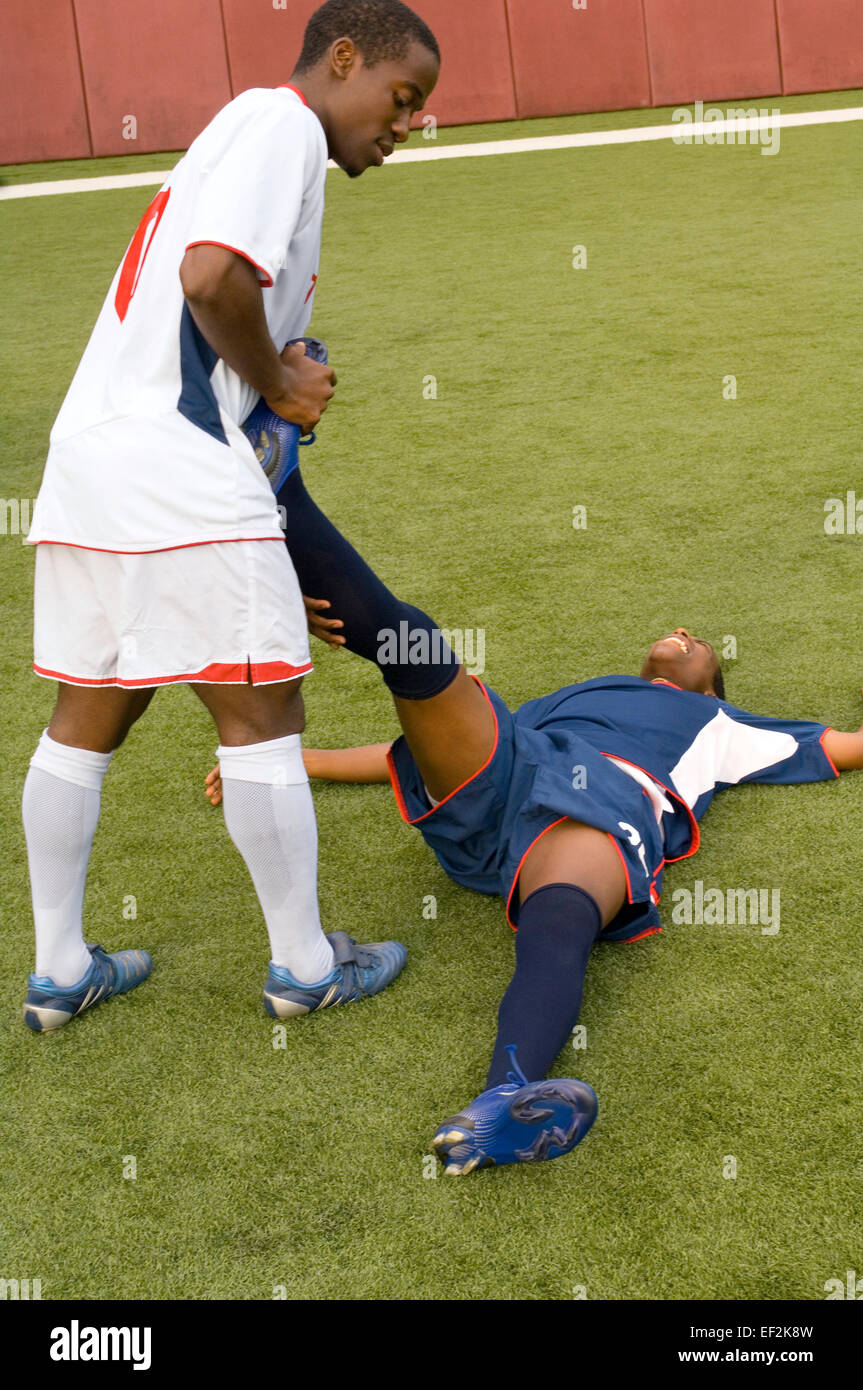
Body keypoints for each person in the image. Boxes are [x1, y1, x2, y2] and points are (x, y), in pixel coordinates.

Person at [206, 468, 863, 1174]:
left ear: (710, 681)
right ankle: (277, 489)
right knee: (413, 649)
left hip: (599, 810)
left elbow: (843, 747)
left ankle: (501, 1102)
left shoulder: (724, 723)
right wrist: (305, 759)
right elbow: (437, 743)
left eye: (696, 640)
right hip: (509, 774)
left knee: (561, 924)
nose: (680, 633)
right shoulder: (572, 697)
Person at [20, 1, 441, 1032]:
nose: (405, 124)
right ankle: (303, 965)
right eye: (400, 96)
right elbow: (209, 279)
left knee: (88, 712)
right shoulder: (280, 124)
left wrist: (276, 378)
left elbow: (207, 309)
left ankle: (59, 966)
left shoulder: (239, 137)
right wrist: (284, 387)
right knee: (260, 711)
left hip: (91, 464)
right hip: (179, 472)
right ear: (342, 58)